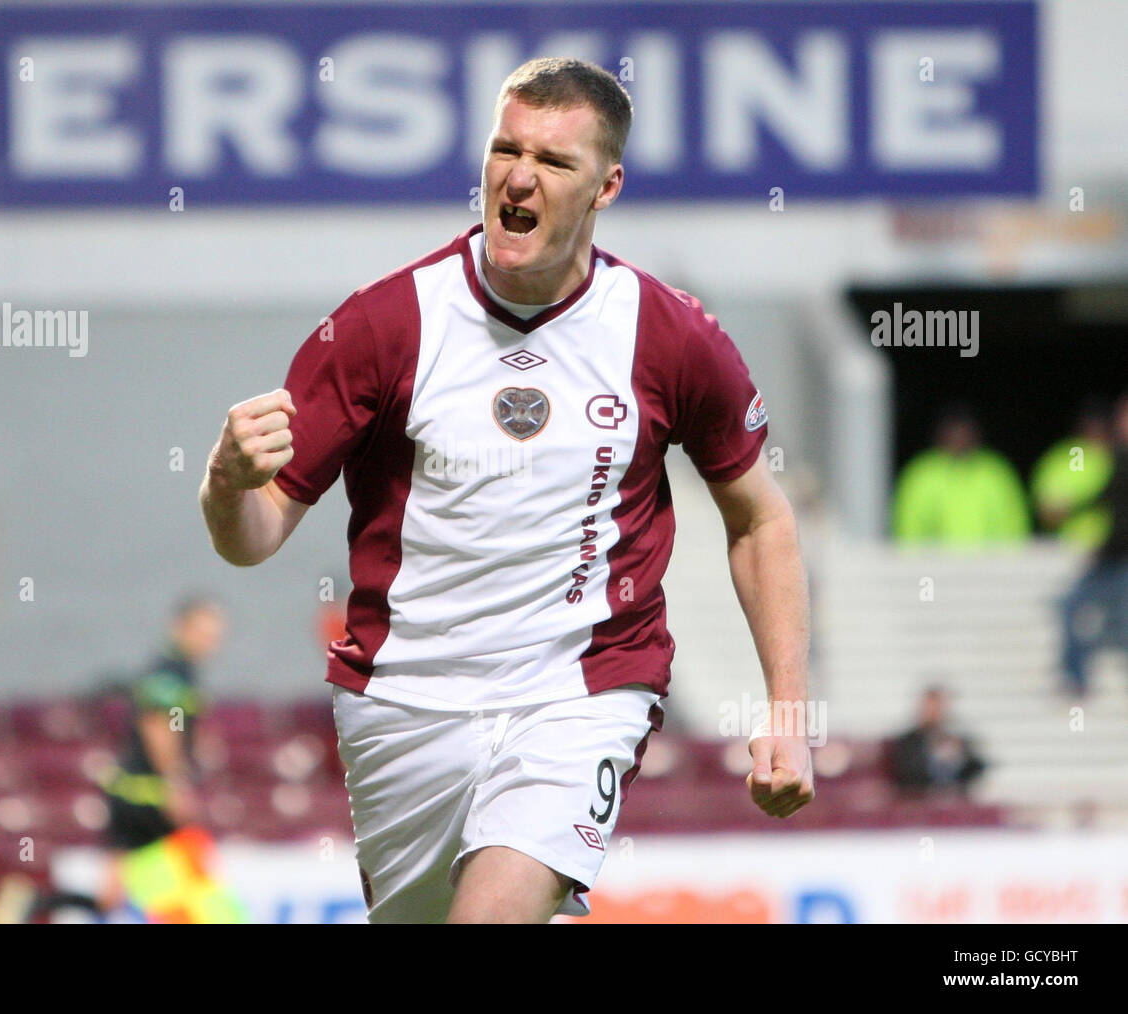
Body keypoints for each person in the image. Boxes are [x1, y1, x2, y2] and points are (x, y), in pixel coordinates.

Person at [200, 58, 813, 924]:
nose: (519, 177)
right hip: (404, 703)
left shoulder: (669, 336)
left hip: (583, 693)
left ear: (606, 187)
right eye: (504, 150)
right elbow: (252, 537)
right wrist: (227, 482)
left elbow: (760, 521)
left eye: (554, 162)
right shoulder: (385, 324)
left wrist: (788, 712)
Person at [100, 596, 244, 922]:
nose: (210, 642)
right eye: (203, 632)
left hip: (131, 795)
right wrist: (176, 784)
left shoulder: (177, 670)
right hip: (149, 797)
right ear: (179, 627)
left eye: (215, 635)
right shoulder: (171, 672)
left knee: (119, 891)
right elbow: (158, 726)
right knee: (192, 897)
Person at [1060, 393, 1128, 697]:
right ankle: (1075, 680)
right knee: (1071, 605)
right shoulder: (1119, 456)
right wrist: (1071, 510)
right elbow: (1107, 500)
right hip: (1112, 558)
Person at [891, 404, 1031, 546]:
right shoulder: (921, 473)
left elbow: (1014, 526)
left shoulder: (996, 472)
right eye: (953, 432)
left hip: (990, 564)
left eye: (964, 432)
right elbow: (908, 529)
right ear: (940, 434)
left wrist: (1007, 565)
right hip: (934, 565)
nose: (959, 438)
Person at [1031, 398, 1113, 549]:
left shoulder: (1118, 456)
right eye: (1092, 424)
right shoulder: (1067, 456)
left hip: (1116, 550)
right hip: (1069, 548)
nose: (1096, 430)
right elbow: (1048, 511)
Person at [889, 686, 986, 794]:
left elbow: (976, 767)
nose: (934, 712)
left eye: (938, 707)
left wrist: (958, 759)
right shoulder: (907, 741)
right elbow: (906, 773)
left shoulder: (958, 738)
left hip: (956, 799)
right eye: (930, 707)